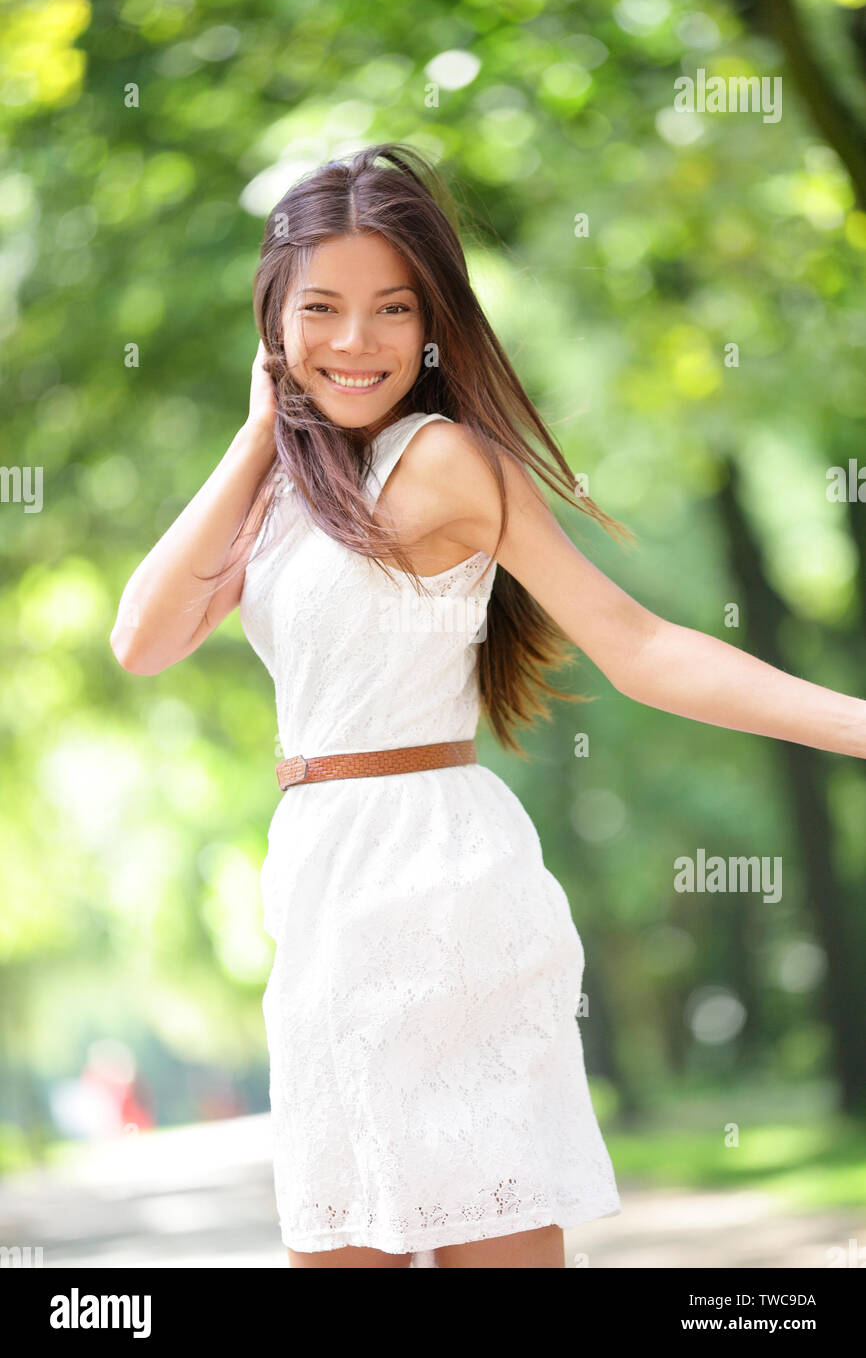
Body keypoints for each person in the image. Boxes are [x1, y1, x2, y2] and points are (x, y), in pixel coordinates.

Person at [110, 144, 866, 1269]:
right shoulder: (283, 481)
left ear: (430, 322)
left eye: (388, 308)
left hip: (438, 879)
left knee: (481, 1242)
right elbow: (143, 638)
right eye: (320, 308)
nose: (353, 341)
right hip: (324, 884)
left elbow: (640, 645)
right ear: (274, 324)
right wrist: (254, 431)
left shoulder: (445, 462)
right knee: (339, 1237)